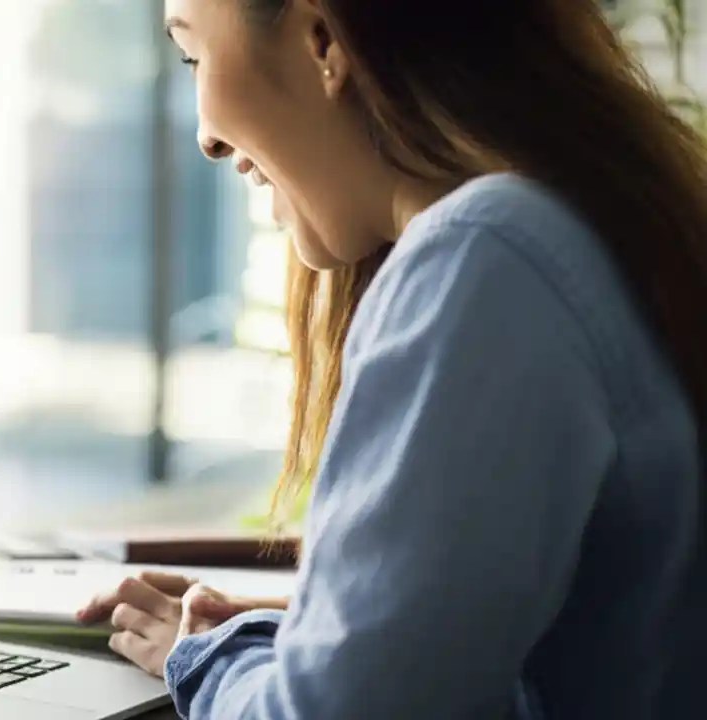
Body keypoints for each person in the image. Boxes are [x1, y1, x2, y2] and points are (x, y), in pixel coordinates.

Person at [75, 1, 707, 717]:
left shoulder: (486, 258)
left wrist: (213, 656)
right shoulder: (588, 227)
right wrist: (314, 633)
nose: (206, 137)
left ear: (322, 40)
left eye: (195, 57)